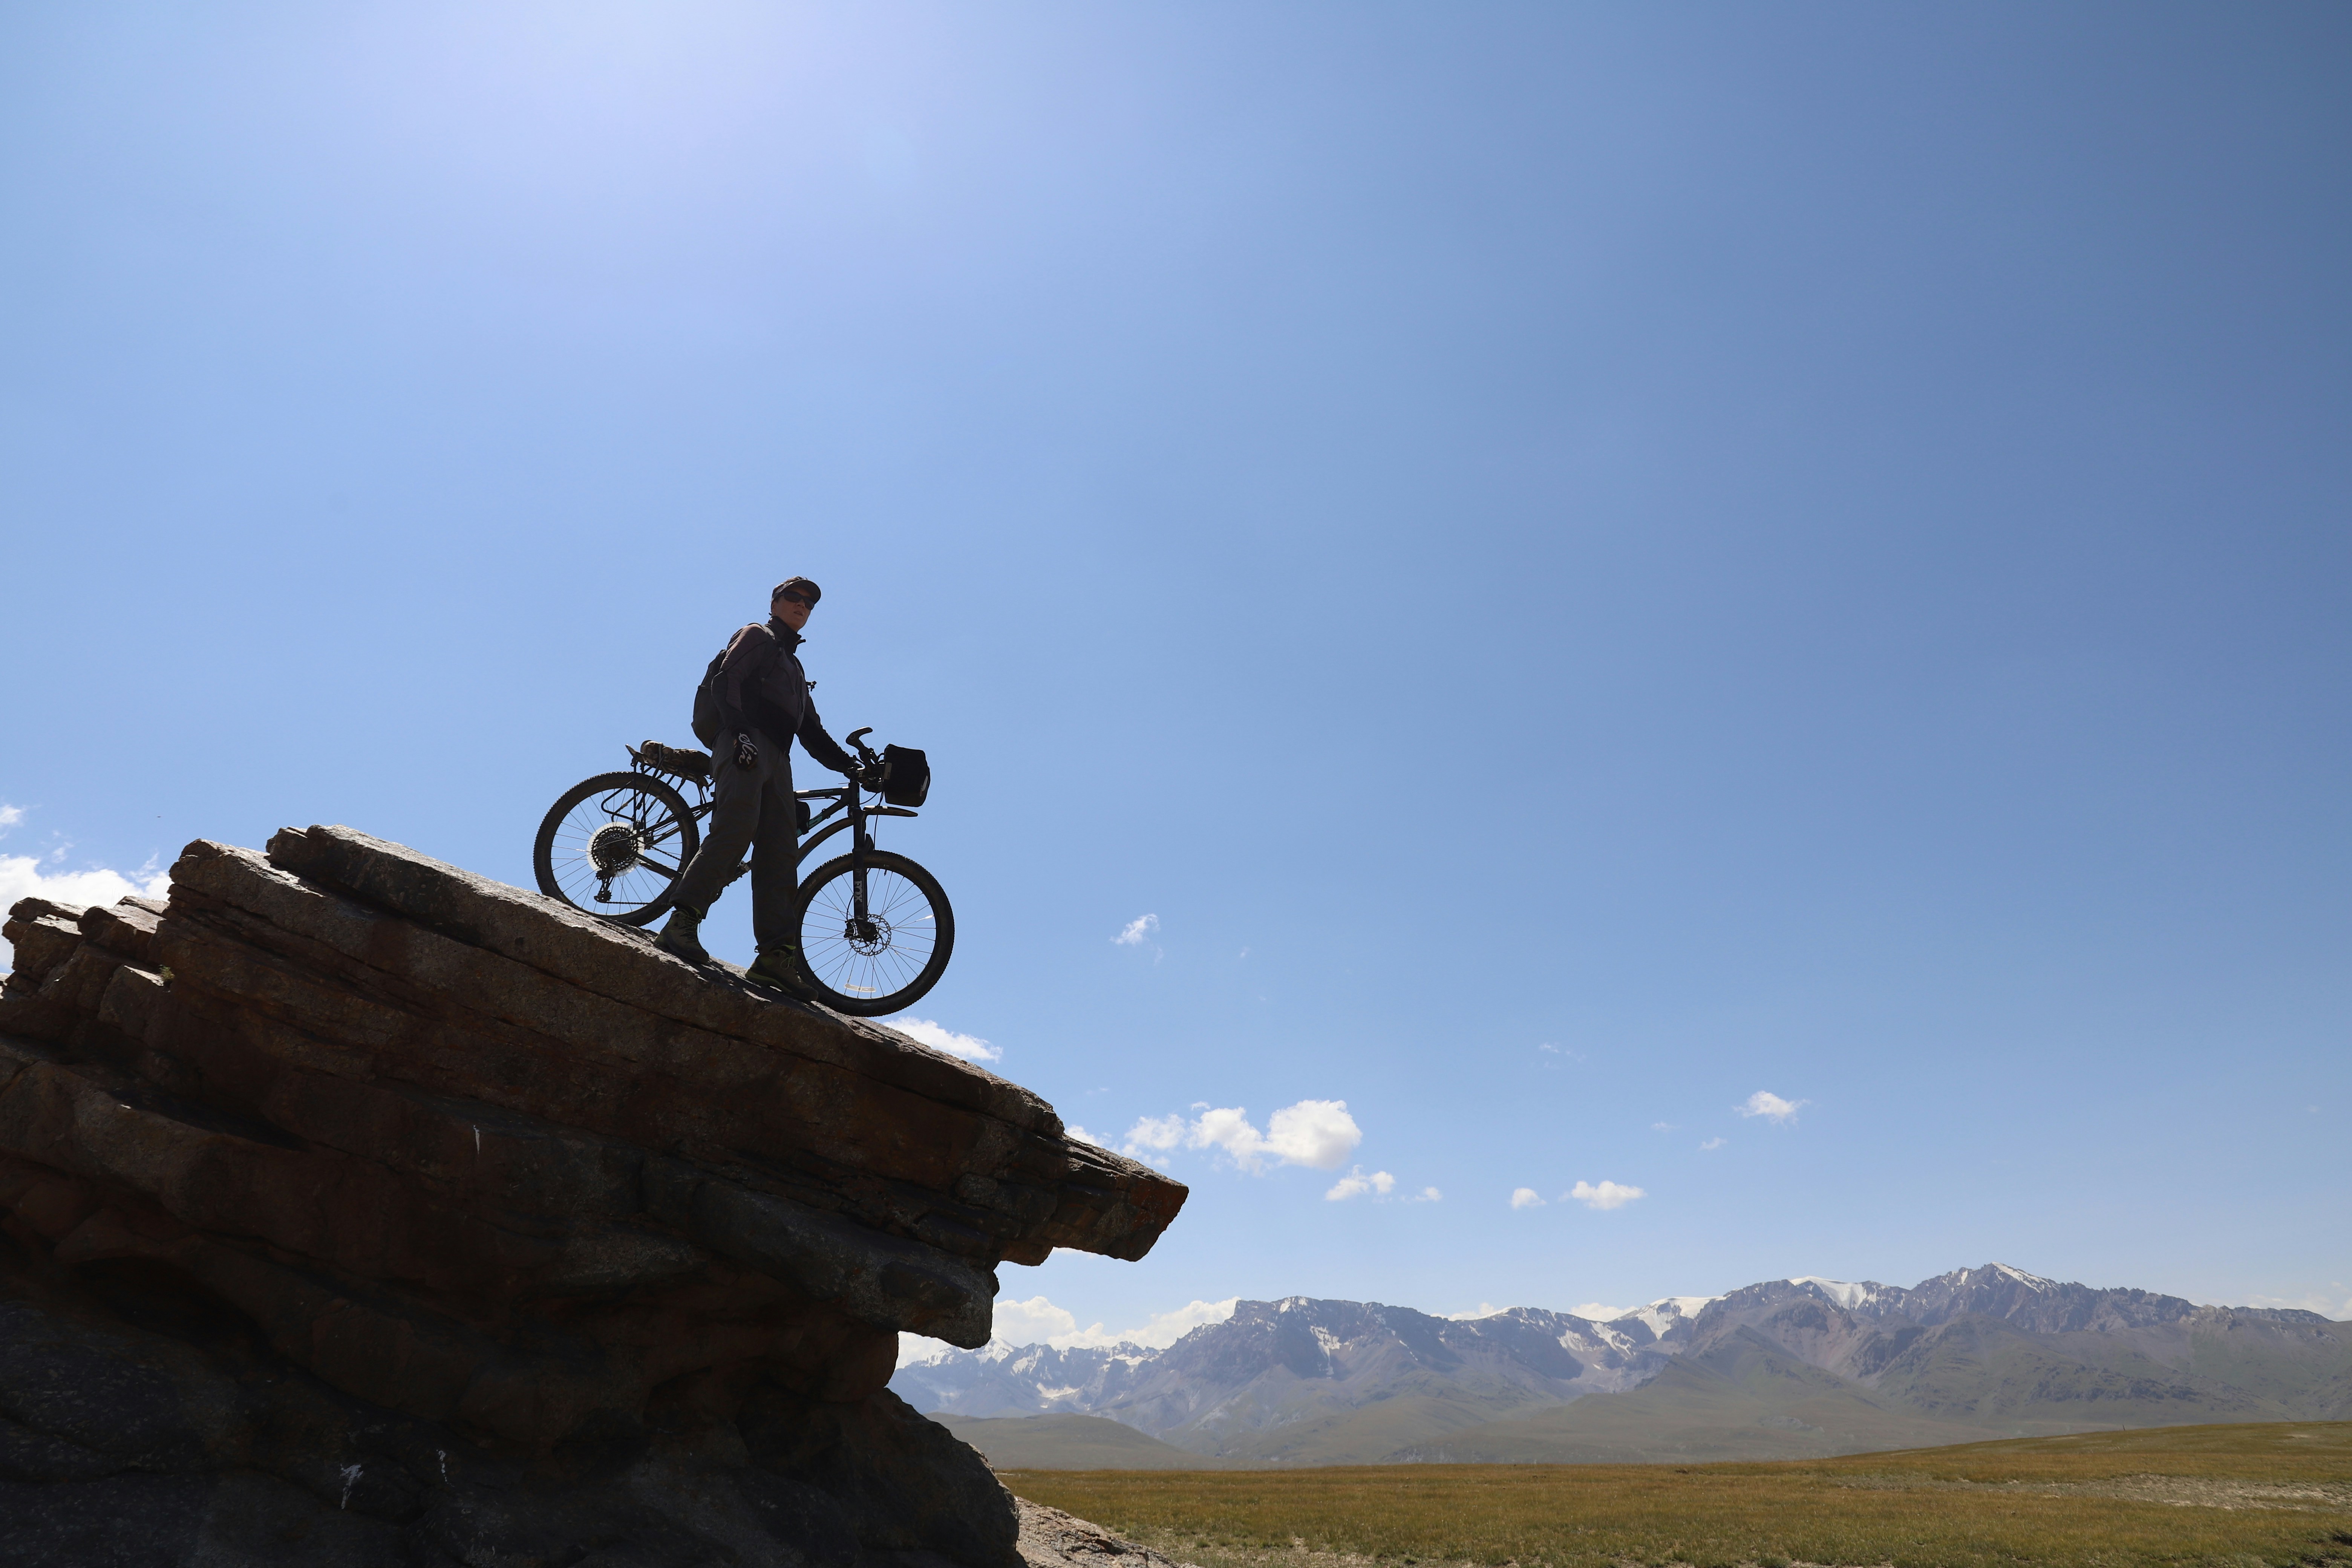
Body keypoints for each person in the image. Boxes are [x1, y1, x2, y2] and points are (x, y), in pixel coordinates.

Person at [656, 577, 866, 992]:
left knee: (781, 853)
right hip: (742, 740)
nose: (802, 605)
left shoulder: (794, 667)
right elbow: (725, 680)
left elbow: (812, 731)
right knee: (737, 826)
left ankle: (775, 957)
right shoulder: (757, 634)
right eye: (794, 597)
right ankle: (681, 923)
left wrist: (853, 768)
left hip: (778, 758)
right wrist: (739, 734)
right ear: (775, 602)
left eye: (809, 603)